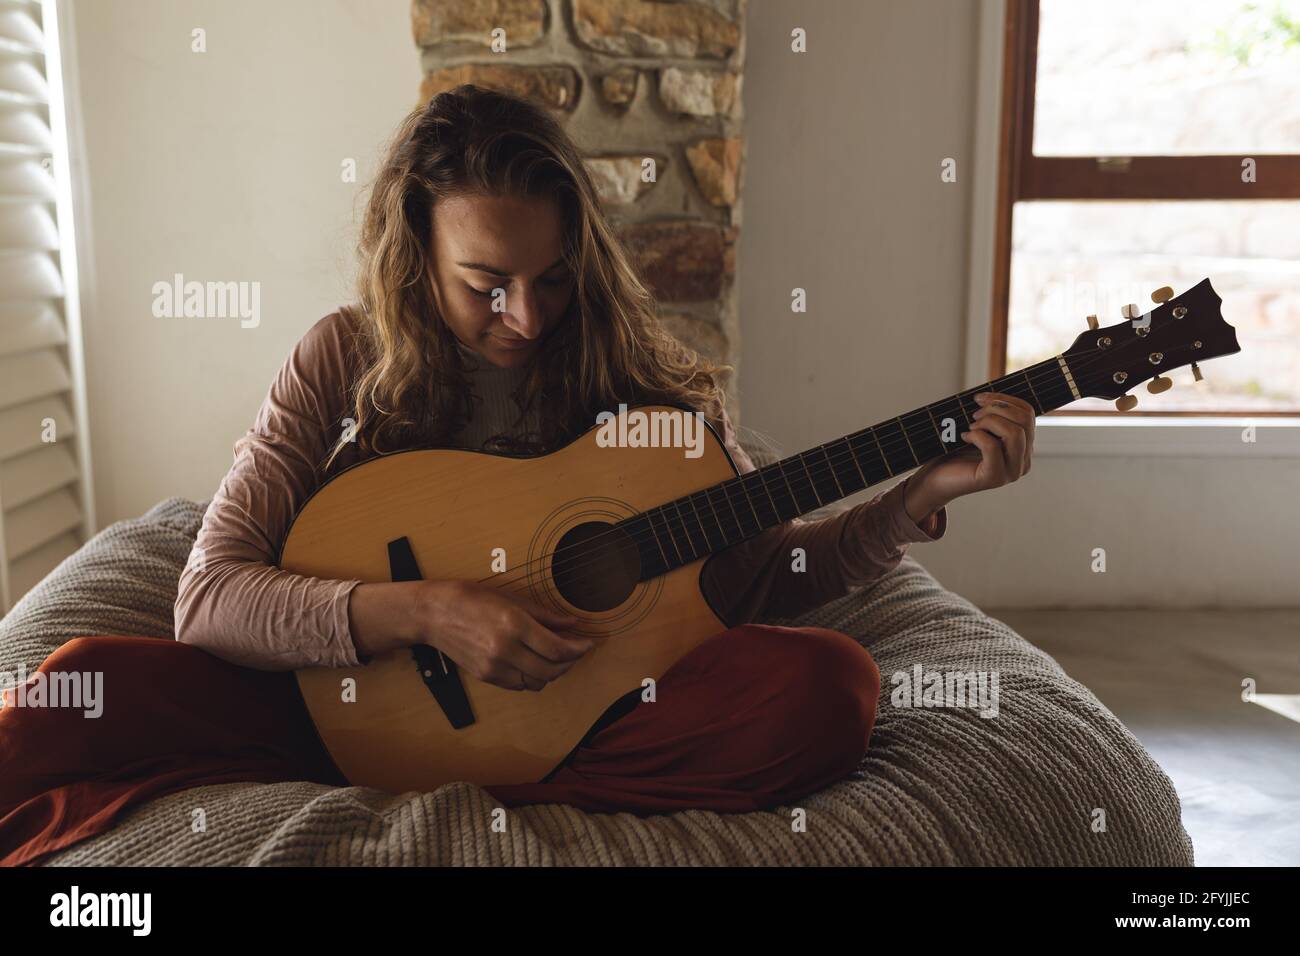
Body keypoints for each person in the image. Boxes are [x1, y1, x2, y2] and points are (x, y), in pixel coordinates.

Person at [0, 86, 1035, 865]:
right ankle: (493, 780)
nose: (527, 317)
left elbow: (764, 578)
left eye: (551, 279)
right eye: (485, 284)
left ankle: (513, 772)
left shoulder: (643, 388)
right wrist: (426, 611)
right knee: (87, 683)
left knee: (827, 687)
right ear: (415, 252)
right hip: (331, 706)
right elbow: (208, 600)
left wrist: (916, 498)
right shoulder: (340, 357)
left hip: (591, 715)